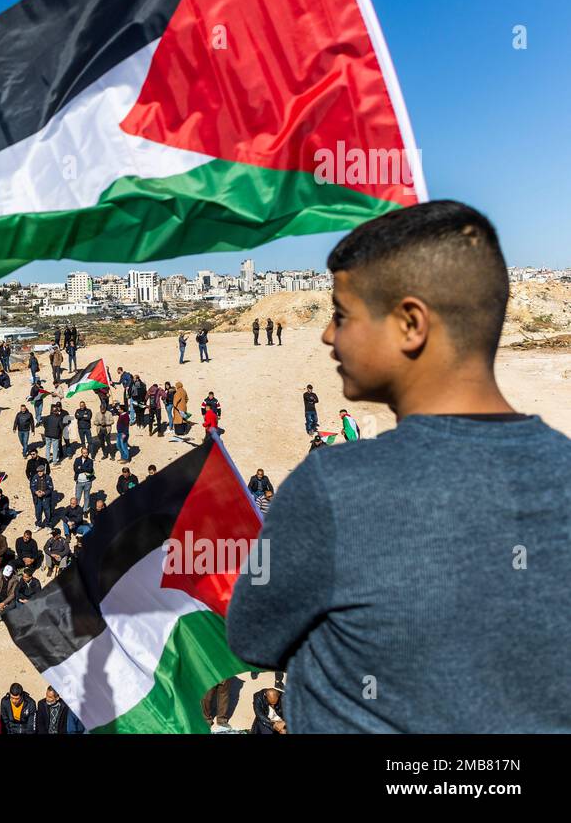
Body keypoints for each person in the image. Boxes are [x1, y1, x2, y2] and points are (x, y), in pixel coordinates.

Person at [228, 200, 571, 732]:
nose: (326, 335)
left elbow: (252, 639)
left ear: (411, 323)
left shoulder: (334, 487)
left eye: (341, 314)